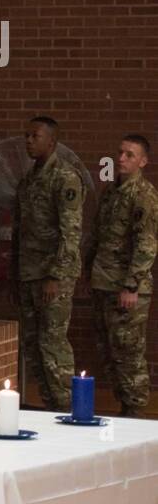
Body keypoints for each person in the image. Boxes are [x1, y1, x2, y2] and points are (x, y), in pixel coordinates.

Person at [13, 116, 83, 410]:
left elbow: (71, 232)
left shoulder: (65, 177)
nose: (29, 141)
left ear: (52, 142)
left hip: (53, 275)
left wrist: (55, 276)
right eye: (27, 135)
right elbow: (20, 230)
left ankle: (68, 406)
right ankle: (50, 406)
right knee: (33, 344)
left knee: (52, 343)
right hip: (29, 273)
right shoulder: (28, 179)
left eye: (35, 136)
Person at [84, 134, 157, 416]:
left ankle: (135, 412)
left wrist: (131, 286)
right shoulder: (112, 191)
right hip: (103, 282)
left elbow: (146, 244)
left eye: (129, 155)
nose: (122, 159)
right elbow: (99, 234)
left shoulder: (144, 196)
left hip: (126, 289)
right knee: (109, 351)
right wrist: (88, 270)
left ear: (143, 161)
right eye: (120, 153)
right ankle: (123, 408)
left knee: (128, 353)